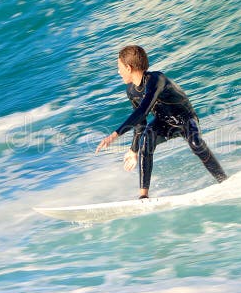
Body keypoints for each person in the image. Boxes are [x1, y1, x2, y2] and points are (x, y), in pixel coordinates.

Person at [95, 45, 227, 198]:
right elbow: (140, 122)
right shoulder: (131, 90)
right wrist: (133, 150)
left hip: (185, 118)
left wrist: (114, 135)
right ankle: (143, 196)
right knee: (146, 140)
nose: (119, 72)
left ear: (129, 68)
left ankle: (224, 181)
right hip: (164, 122)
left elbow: (143, 110)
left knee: (196, 143)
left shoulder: (156, 79)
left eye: (119, 68)